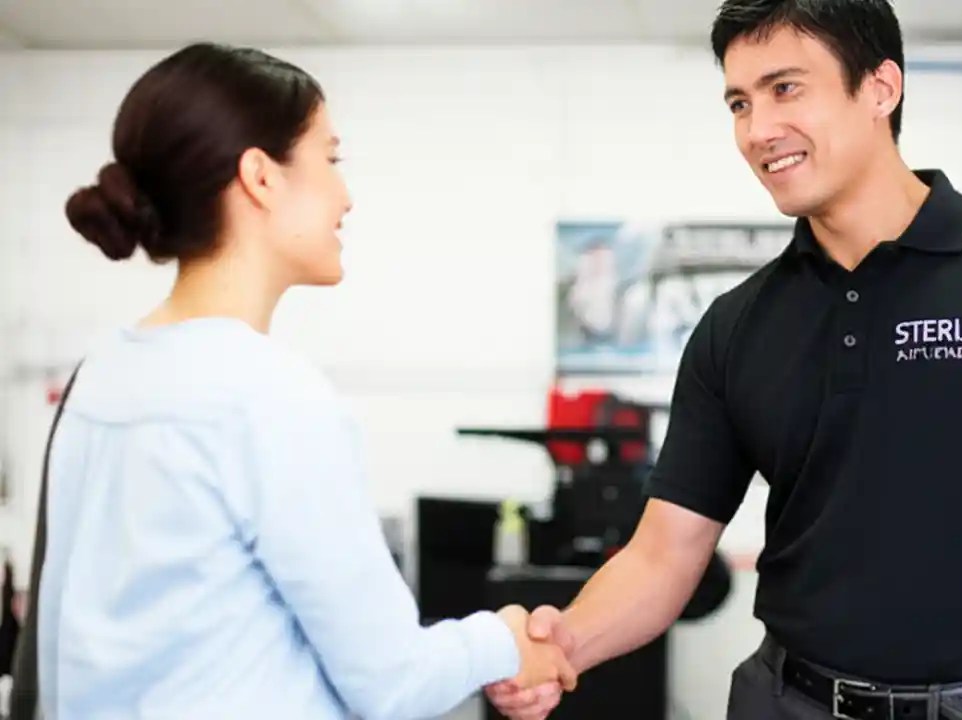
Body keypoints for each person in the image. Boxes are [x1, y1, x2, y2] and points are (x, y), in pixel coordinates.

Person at [486, 1, 962, 719]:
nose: (758, 130)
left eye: (785, 88)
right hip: (784, 702)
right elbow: (663, 556)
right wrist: (566, 646)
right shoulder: (737, 325)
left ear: (880, 89)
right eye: (739, 102)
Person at [15, 42, 576, 720]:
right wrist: (504, 638)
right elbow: (392, 683)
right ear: (261, 176)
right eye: (330, 159)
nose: (346, 195)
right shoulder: (266, 396)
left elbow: (53, 665)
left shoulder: (101, 374)